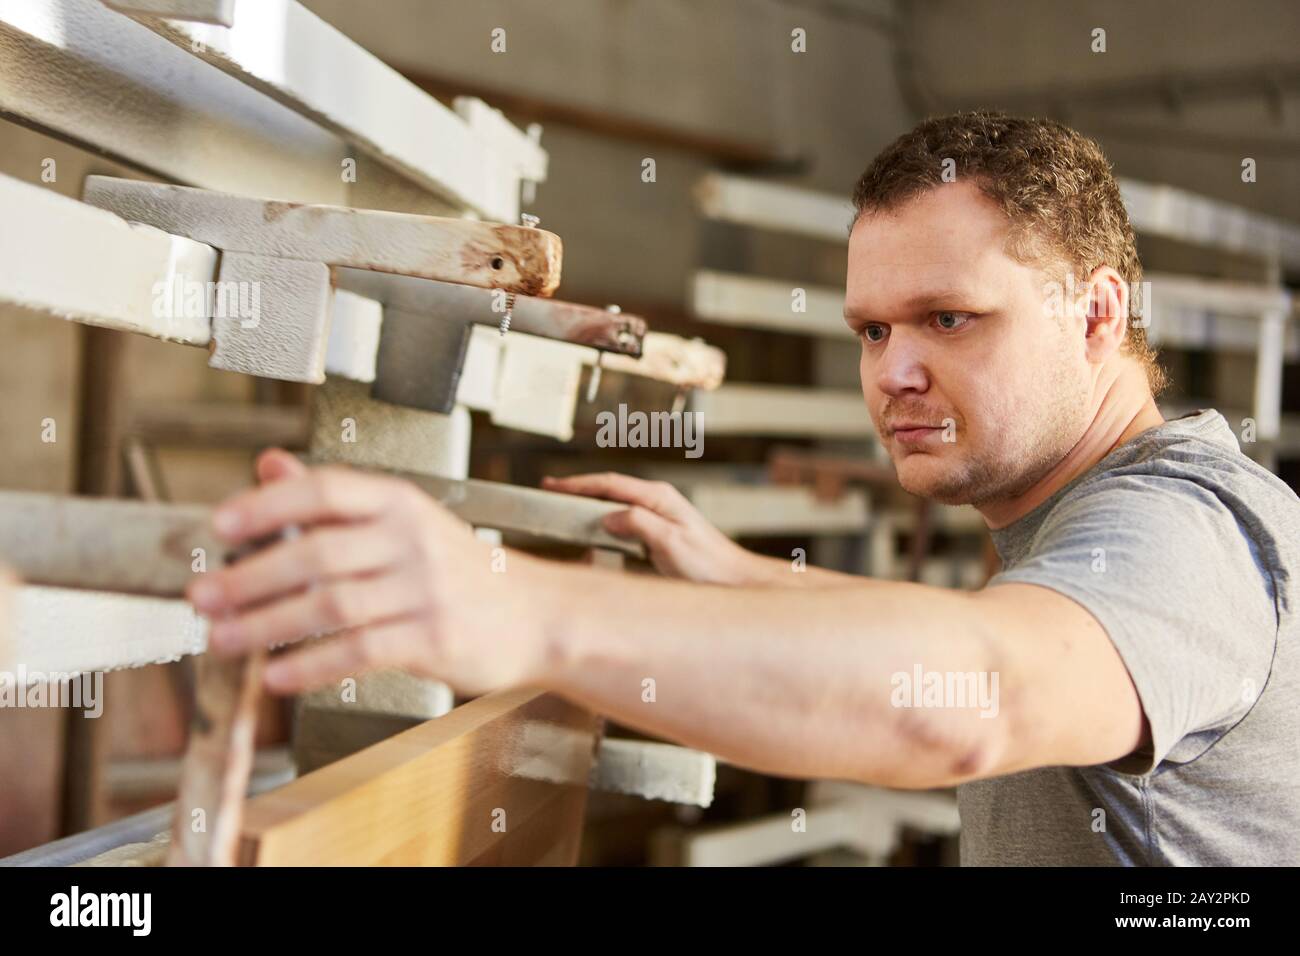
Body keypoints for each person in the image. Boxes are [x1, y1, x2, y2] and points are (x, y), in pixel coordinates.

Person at [188, 112, 1300, 865]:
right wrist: (746, 579)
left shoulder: (1182, 530)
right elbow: (978, 634)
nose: (892, 369)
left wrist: (516, 610)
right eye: (872, 328)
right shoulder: (1078, 518)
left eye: (947, 318)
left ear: (1097, 314)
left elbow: (974, 695)